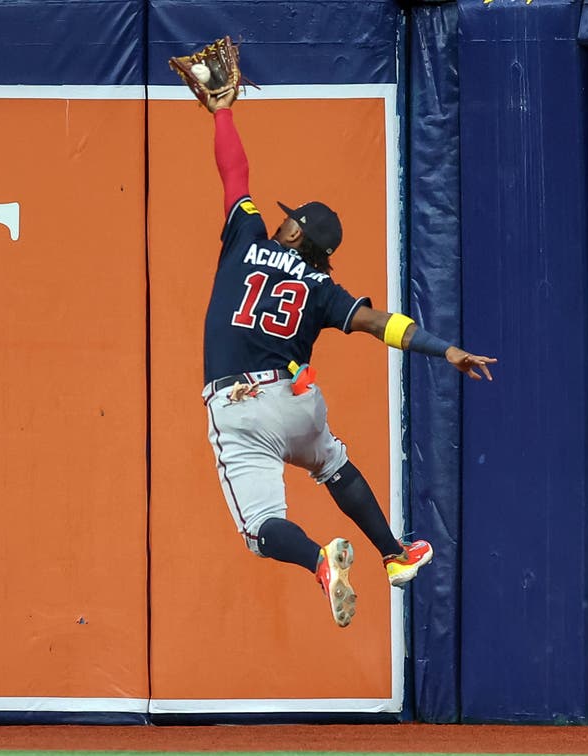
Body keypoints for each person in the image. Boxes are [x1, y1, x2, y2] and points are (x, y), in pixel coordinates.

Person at [198, 86, 496, 628]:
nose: (283, 220)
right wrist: (444, 348)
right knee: (332, 463)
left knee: (261, 528)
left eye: (290, 219)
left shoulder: (247, 237)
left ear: (292, 231)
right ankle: (394, 554)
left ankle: (318, 561)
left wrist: (222, 112)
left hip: (240, 403)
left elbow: (234, 173)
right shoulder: (322, 287)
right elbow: (382, 324)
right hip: (296, 400)